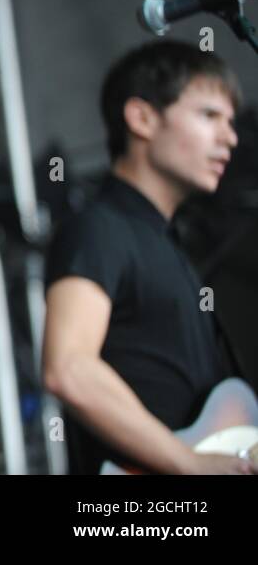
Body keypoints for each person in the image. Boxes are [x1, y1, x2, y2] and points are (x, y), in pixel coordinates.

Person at [42, 40, 252, 474]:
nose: (229, 137)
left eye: (231, 123)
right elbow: (69, 367)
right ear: (141, 118)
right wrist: (190, 465)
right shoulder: (99, 227)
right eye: (209, 115)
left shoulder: (169, 246)